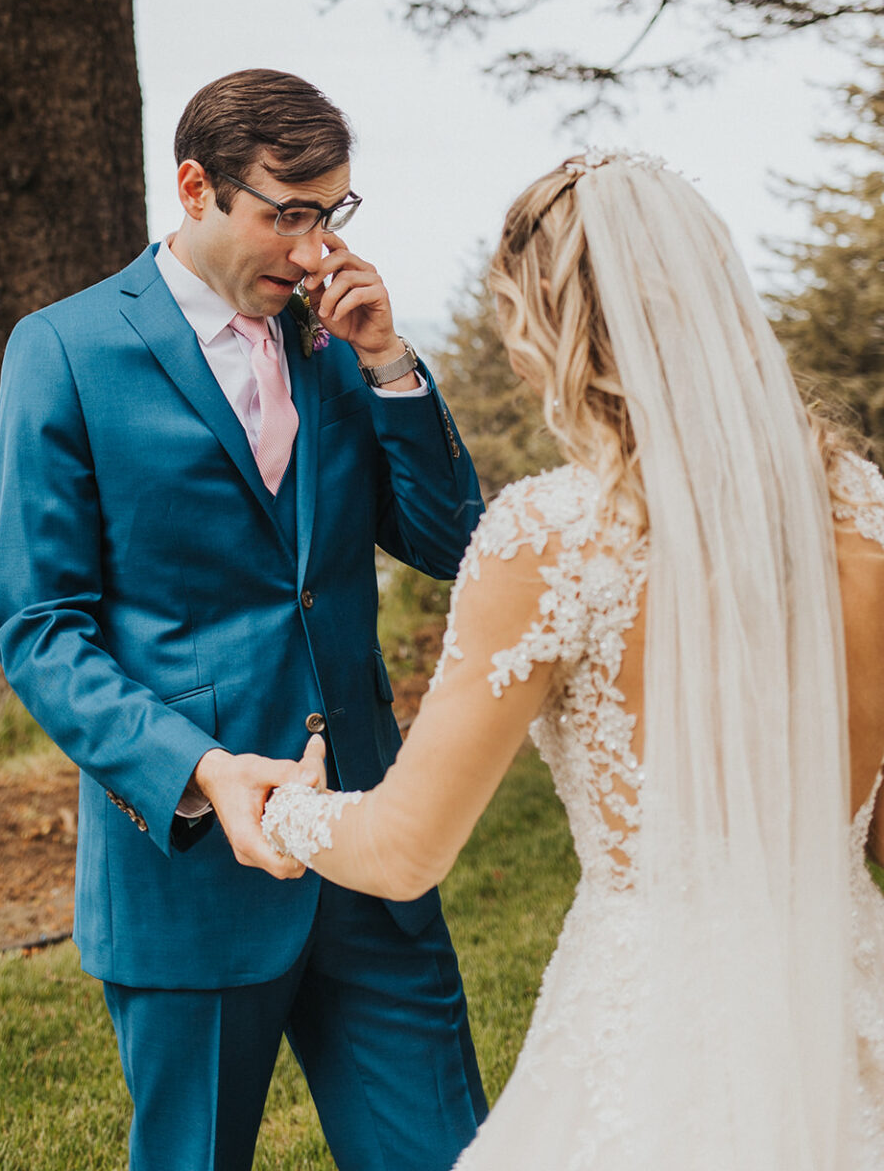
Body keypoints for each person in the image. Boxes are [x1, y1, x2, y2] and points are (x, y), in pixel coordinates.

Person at [263, 150, 884, 1170]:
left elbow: (407, 846)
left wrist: (274, 806)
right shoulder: (857, 508)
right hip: (843, 1001)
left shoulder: (549, 536)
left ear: (552, 328)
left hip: (657, 1040)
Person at [0, 69, 488, 1171]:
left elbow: (458, 548)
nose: (313, 251)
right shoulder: (64, 351)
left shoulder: (337, 346)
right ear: (195, 187)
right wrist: (204, 772)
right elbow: (38, 627)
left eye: (331, 215)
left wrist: (391, 364)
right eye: (286, 213)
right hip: (194, 872)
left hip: (371, 849)